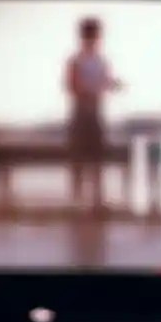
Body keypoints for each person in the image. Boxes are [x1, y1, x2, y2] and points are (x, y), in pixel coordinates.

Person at [65, 17, 123, 212]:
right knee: (79, 156)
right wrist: (95, 87)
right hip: (81, 111)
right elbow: (72, 86)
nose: (94, 39)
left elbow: (105, 82)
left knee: (97, 156)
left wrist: (112, 84)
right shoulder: (76, 60)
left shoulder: (101, 60)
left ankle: (97, 200)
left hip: (96, 111)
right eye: (91, 35)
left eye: (95, 35)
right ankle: (78, 200)